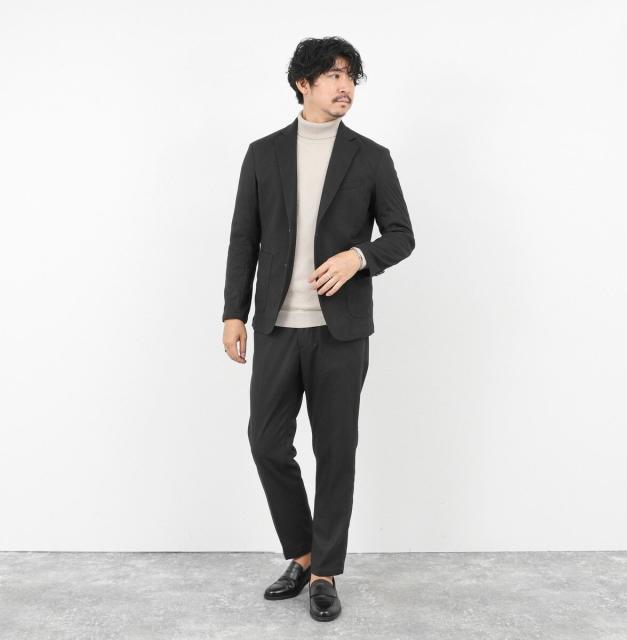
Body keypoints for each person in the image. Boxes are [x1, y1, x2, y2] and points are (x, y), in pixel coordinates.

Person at [221, 36, 415, 622]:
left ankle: (325, 572)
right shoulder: (263, 154)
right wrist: (233, 312)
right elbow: (244, 239)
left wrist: (359, 257)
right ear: (302, 83)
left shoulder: (371, 157)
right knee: (266, 443)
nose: (345, 85)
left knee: (335, 451)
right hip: (277, 326)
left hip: (341, 332)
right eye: (333, 74)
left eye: (351, 75)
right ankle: (303, 554)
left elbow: (401, 235)